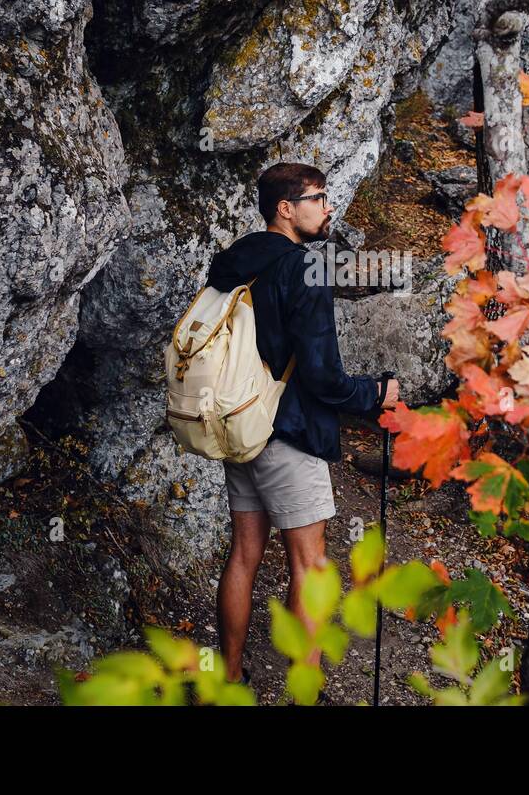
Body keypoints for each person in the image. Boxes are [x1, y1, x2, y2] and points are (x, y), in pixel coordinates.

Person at [205, 162, 400, 690]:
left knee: (244, 552)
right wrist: (376, 394)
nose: (329, 207)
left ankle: (227, 679)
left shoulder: (234, 263)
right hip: (287, 432)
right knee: (311, 565)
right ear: (286, 209)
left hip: (239, 425)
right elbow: (322, 377)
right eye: (318, 198)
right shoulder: (304, 269)